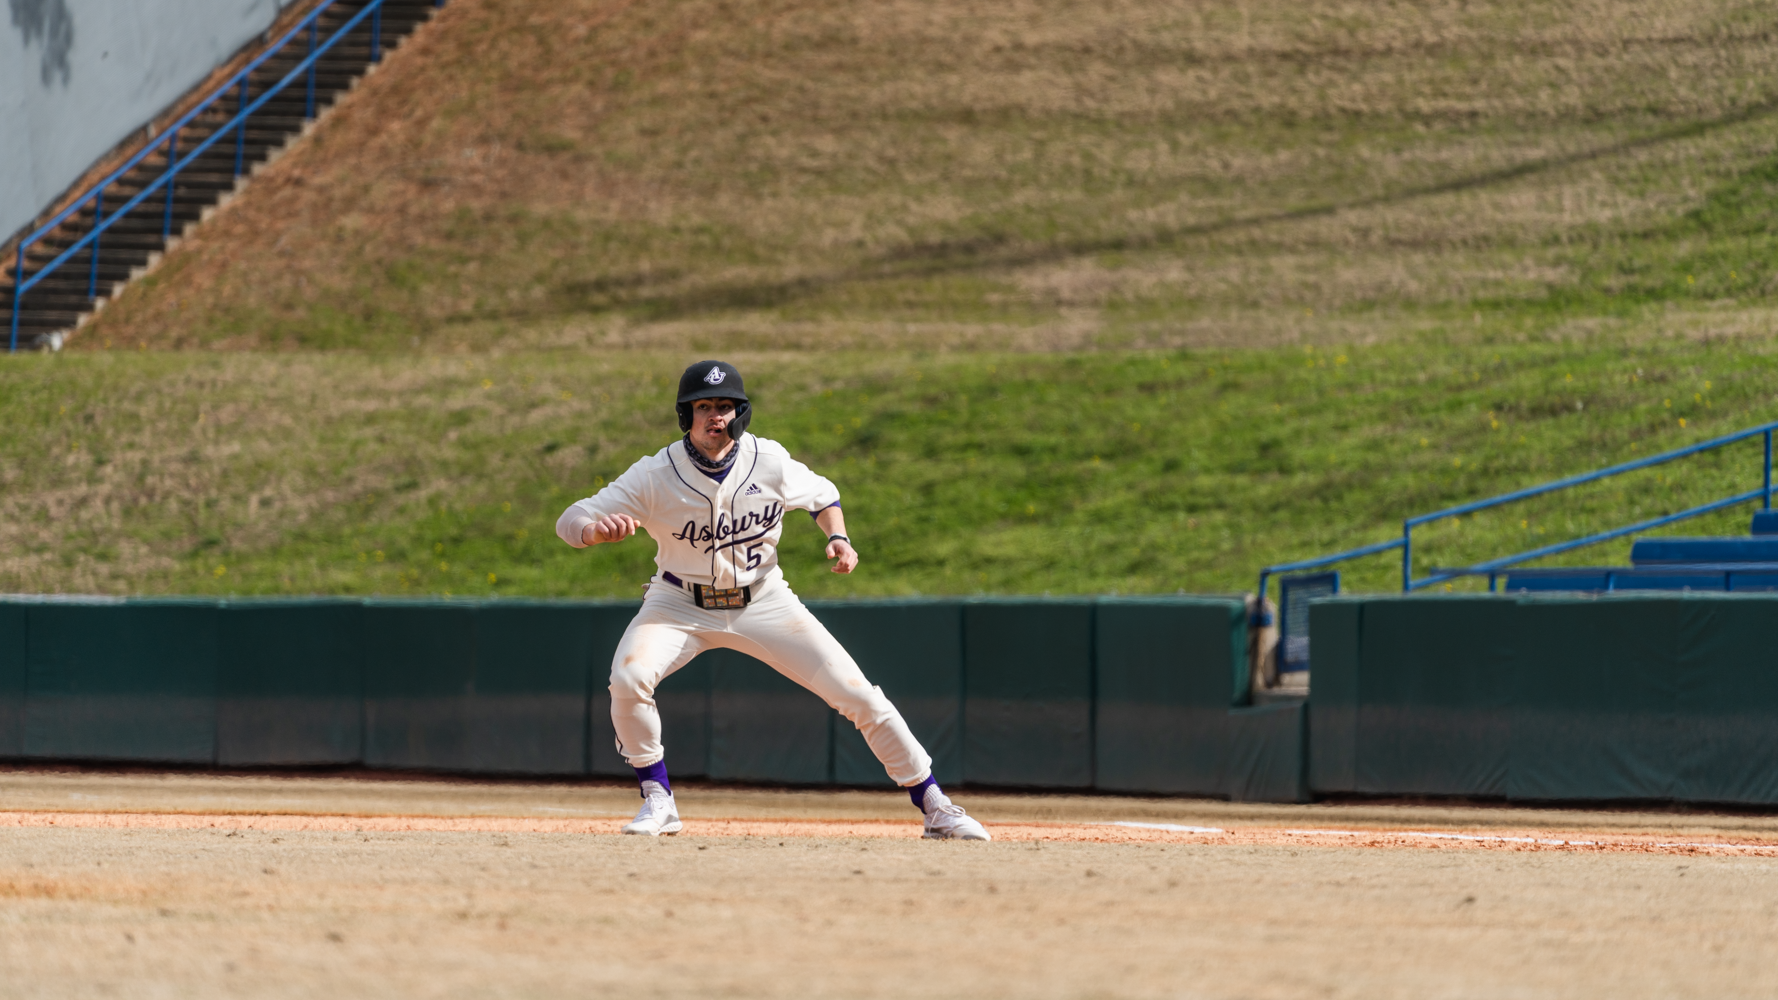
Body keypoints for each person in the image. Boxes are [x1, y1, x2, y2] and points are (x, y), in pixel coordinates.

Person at [555, 360, 990, 841]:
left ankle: (935, 804)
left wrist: (838, 537)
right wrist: (592, 532)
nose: (714, 416)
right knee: (628, 678)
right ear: (686, 416)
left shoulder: (770, 461)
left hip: (763, 599)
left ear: (740, 413)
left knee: (860, 694)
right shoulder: (656, 473)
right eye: (703, 407)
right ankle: (658, 800)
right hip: (678, 603)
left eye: (724, 406)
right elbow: (571, 518)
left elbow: (824, 495)